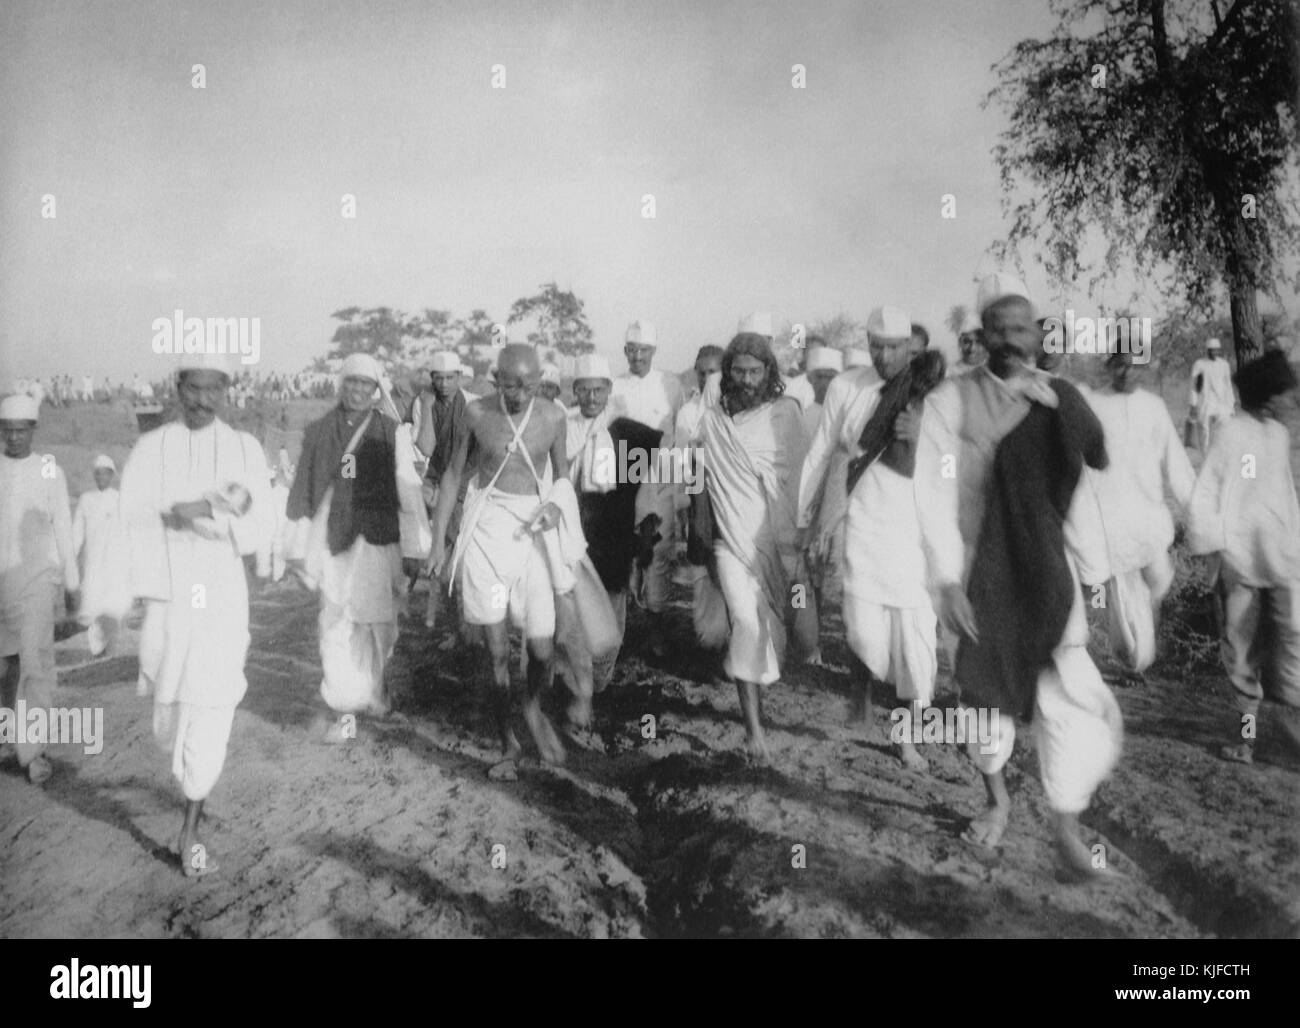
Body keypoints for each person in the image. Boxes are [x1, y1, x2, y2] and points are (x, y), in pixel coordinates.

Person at [915, 273, 1120, 879]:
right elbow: (932, 494)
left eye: (1021, 328)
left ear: (1037, 334)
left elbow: (1081, 495)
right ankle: (997, 802)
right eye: (998, 329)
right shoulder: (950, 401)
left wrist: (1096, 576)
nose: (1010, 340)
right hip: (975, 573)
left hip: (1045, 570)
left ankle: (1066, 826)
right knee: (985, 701)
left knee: (1072, 695)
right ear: (982, 336)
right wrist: (947, 581)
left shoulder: (1057, 400)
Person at [119, 355, 273, 875]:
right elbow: (131, 516)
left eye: (213, 390)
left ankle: (190, 829)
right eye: (193, 388)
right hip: (168, 595)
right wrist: (167, 518)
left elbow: (257, 516)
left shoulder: (243, 448)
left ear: (226, 391)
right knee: (167, 710)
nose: (203, 400)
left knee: (211, 700)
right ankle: (189, 780)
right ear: (178, 387)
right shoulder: (150, 448)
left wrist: (206, 510)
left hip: (219, 593)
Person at [799, 307, 943, 769]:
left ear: (909, 349)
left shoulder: (933, 393)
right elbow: (822, 452)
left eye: (894, 348)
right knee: (866, 636)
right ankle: (862, 691)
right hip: (862, 522)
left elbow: (951, 465)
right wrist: (806, 517)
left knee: (914, 644)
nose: (884, 356)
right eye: (876, 347)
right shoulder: (846, 387)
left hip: (915, 530)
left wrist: (921, 436)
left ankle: (906, 739)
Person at [428, 344, 581, 778]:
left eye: (529, 386)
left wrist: (556, 506)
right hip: (489, 534)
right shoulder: (477, 413)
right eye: (511, 386)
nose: (520, 395)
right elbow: (453, 475)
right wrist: (438, 543)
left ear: (539, 382)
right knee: (496, 650)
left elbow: (563, 478)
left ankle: (532, 707)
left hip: (533, 533)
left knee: (541, 648)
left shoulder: (552, 417)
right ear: (497, 380)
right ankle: (506, 741)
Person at [285, 354, 428, 742]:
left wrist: (416, 547)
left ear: (376, 390)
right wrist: (296, 548)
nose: (358, 391)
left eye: (366, 385)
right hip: (335, 538)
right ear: (341, 384)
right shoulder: (318, 431)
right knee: (336, 623)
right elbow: (302, 492)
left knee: (379, 625)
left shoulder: (391, 431)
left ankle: (376, 690)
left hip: (379, 537)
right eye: (352, 383)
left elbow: (407, 488)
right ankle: (344, 708)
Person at [1187, 349, 1300, 765]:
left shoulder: (1278, 436)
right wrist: (1218, 556)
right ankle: (1246, 740)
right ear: (1267, 398)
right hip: (1243, 565)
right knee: (1242, 658)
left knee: (1294, 649)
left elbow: (1283, 495)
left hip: (1283, 561)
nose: (1290, 402)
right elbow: (1208, 495)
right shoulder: (1231, 434)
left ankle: (1294, 738)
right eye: (1283, 395)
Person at [699, 333, 807, 763]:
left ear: (768, 372)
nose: (746, 380)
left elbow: (802, 480)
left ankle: (756, 701)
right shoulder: (713, 422)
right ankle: (753, 732)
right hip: (730, 541)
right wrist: (698, 535)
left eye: (755, 372)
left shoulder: (785, 415)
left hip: (775, 543)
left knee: (772, 634)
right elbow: (698, 477)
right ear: (728, 373)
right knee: (745, 622)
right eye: (739, 372)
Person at [1085, 350, 1195, 678]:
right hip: (1109, 515)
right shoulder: (1094, 404)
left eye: (1134, 365)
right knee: (1119, 595)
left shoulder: (1154, 407)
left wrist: (1196, 511)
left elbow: (1176, 461)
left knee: (1158, 581)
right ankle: (1133, 662)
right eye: (1120, 365)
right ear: (1110, 367)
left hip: (1148, 514)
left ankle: (1138, 652)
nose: (1127, 372)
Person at [564, 354, 662, 696]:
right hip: (573, 532)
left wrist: (645, 535)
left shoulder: (629, 434)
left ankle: (598, 683)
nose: (591, 397)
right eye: (584, 390)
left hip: (613, 533)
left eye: (598, 390)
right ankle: (577, 686)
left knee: (609, 621)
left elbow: (647, 489)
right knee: (573, 616)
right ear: (575, 391)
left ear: (608, 390)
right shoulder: (563, 428)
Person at [0, 394, 79, 785]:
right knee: (6, 667)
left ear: (33, 429)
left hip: (36, 583)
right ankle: (7, 737)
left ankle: (33, 753)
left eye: (21, 430)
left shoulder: (49, 469)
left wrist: (72, 583)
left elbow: (63, 527)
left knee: (34, 664)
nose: (14, 438)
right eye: (7, 430)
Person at [611, 320, 684, 656]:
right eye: (632, 350)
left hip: (661, 476)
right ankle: (621, 629)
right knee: (625, 551)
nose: (637, 356)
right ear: (625, 351)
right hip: (625, 475)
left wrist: (683, 489)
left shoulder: (671, 384)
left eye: (643, 350)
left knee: (658, 550)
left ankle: (656, 627)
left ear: (654, 351)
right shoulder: (615, 385)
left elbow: (681, 433)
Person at [410, 351, 474, 633]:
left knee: (464, 558)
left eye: (450, 378)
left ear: (459, 377)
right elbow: (426, 447)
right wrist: (426, 407)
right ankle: (452, 625)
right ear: (431, 379)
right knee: (441, 555)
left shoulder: (472, 404)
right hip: (437, 482)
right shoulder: (423, 403)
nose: (444, 384)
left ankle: (470, 625)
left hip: (468, 484)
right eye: (439, 378)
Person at [72, 455, 130, 657]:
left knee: (113, 609)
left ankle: (109, 656)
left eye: (106, 473)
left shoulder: (121, 499)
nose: (102, 477)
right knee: (93, 608)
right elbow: (77, 533)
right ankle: (98, 655)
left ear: (112, 476)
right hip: (93, 565)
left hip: (116, 565)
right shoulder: (86, 500)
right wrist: (70, 560)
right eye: (98, 473)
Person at [1188, 337, 1235, 450]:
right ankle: (1205, 455)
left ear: (1219, 351)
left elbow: (1228, 385)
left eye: (1216, 350)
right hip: (1206, 401)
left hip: (1222, 402)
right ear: (1207, 350)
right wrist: (1193, 404)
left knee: (1223, 429)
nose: (1214, 352)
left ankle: (1220, 453)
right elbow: (1193, 385)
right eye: (1212, 350)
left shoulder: (1224, 364)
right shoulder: (1200, 364)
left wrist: (1231, 403)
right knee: (1205, 430)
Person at [948, 312, 985, 376]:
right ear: (960, 343)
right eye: (967, 342)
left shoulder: (994, 372)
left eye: (978, 342)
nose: (972, 348)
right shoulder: (950, 373)